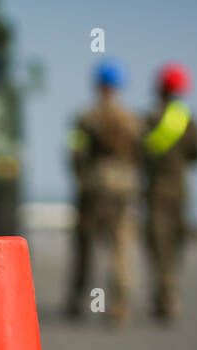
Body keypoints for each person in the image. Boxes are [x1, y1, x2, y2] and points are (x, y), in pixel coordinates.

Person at [66, 60, 142, 327]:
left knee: (85, 247)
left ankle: (77, 300)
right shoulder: (132, 119)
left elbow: (75, 152)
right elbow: (140, 154)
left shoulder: (85, 118)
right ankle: (119, 307)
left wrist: (82, 177)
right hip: (124, 188)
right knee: (121, 248)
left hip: (94, 187)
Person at [142, 62, 197, 322]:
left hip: (155, 192)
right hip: (180, 192)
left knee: (158, 246)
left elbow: (140, 153)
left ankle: (164, 295)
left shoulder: (149, 120)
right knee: (176, 244)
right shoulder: (188, 121)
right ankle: (171, 293)